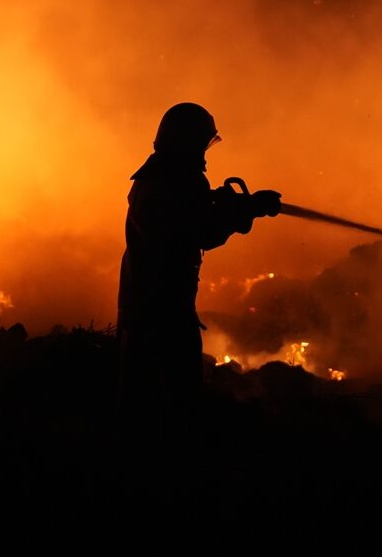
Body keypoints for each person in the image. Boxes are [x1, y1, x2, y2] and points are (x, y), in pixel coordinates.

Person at [116, 102, 280, 448]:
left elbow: (196, 211)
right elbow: (199, 230)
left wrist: (229, 203)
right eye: (201, 143)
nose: (205, 152)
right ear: (186, 142)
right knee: (169, 395)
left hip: (151, 305)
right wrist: (246, 210)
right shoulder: (167, 183)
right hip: (160, 310)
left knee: (147, 392)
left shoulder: (166, 176)